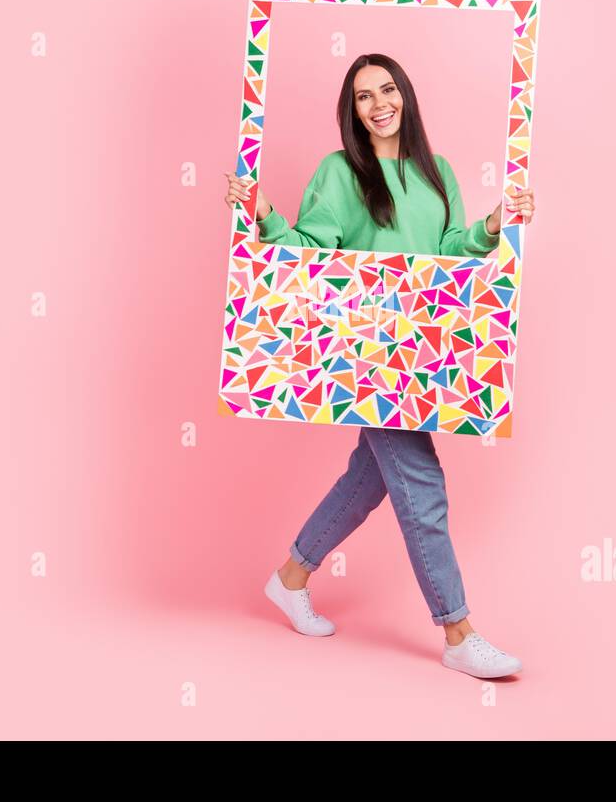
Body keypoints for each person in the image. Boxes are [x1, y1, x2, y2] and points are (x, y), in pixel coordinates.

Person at [223, 53, 536, 678]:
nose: (378, 104)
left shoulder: (436, 169)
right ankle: (457, 632)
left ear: (405, 95)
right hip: (366, 350)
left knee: (368, 478)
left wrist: (495, 224)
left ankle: (291, 577)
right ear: (353, 110)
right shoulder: (339, 173)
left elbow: (448, 251)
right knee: (421, 485)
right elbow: (309, 250)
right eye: (363, 96)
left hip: (421, 349)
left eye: (386, 90)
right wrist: (260, 213)